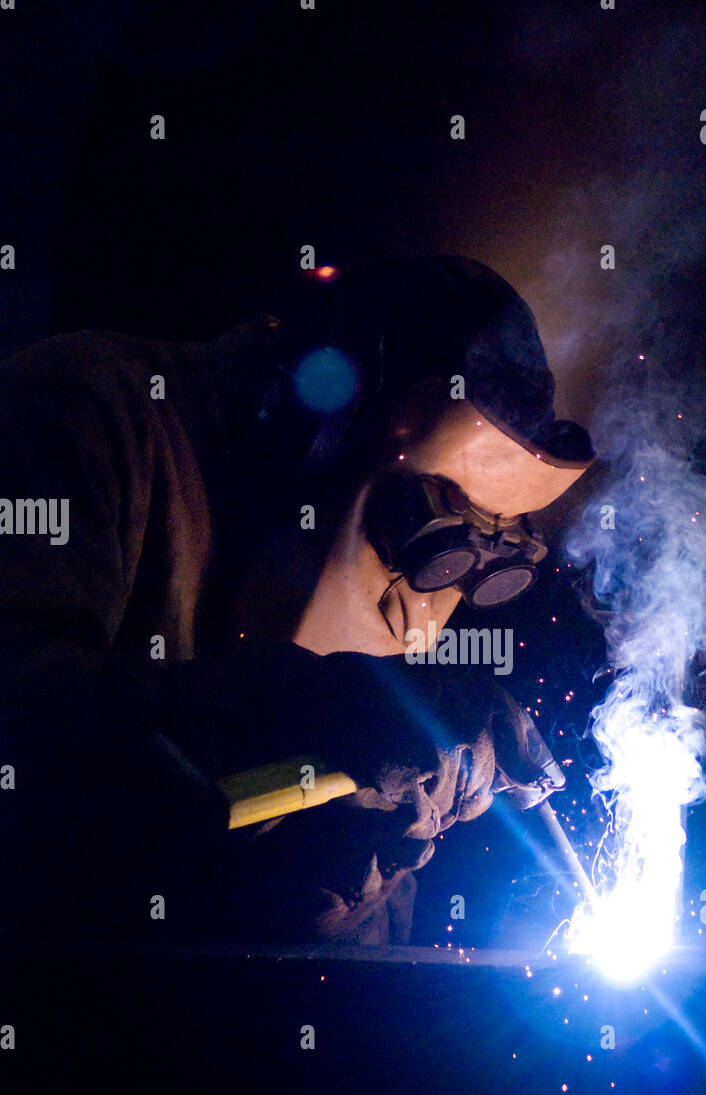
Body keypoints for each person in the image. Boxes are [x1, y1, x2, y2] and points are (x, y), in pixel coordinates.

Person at [0, 255, 595, 946]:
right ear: (314, 437)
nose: (418, 613)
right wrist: (297, 705)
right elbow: (28, 728)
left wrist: (353, 867)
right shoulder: (87, 410)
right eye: (422, 534)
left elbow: (317, 964)